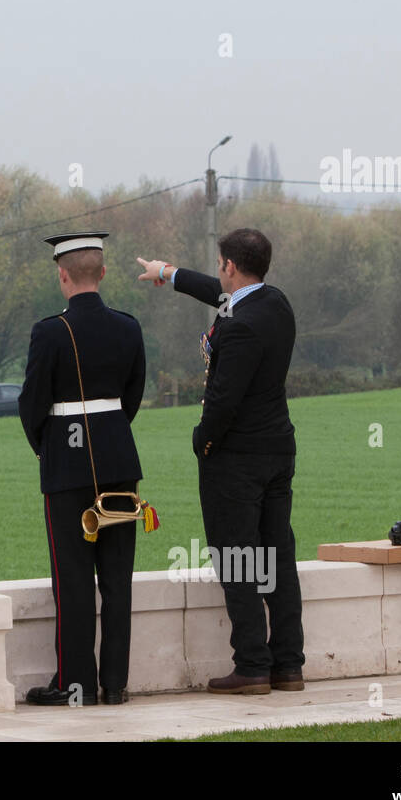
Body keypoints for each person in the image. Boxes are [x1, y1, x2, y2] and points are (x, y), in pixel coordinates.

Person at [137, 228, 305, 694]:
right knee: (278, 555)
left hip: (236, 458)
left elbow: (223, 403)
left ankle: (252, 665)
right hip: (277, 450)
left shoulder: (239, 325)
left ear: (231, 266)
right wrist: (167, 274)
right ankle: (288, 664)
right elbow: (220, 294)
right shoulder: (274, 303)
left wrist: (201, 443)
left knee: (238, 559)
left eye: (219, 264)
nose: (217, 271)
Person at [19, 231, 147, 706]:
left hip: (69, 468)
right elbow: (131, 396)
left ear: (63, 275)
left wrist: (47, 448)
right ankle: (114, 684)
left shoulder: (49, 331)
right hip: (120, 461)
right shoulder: (129, 327)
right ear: (104, 273)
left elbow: (31, 405)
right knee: (117, 579)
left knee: (73, 579)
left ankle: (75, 686)